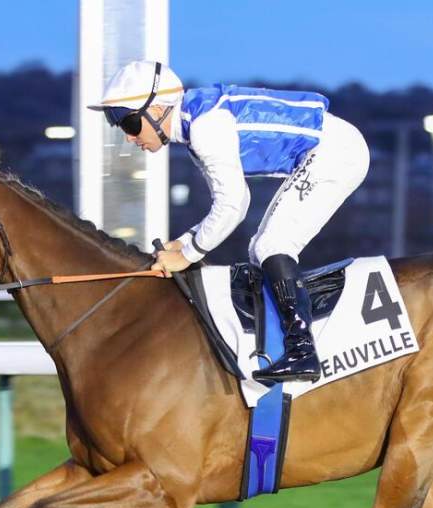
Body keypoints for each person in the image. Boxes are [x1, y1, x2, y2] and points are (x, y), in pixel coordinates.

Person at [88, 60, 370, 383]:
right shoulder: (197, 125)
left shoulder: (206, 128)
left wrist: (188, 254)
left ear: (158, 109)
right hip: (330, 150)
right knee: (260, 248)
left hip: (337, 152)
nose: (128, 137)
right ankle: (286, 344)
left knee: (272, 245)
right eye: (118, 124)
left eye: (128, 122)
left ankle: (303, 350)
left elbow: (234, 205)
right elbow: (225, 208)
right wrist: (181, 243)